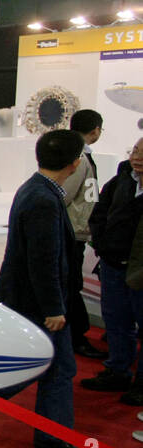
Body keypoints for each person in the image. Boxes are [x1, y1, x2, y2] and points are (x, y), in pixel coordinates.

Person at [0, 130, 96, 448]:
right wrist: (54, 308)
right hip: (36, 304)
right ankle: (51, 433)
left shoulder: (34, 190)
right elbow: (43, 260)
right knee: (58, 368)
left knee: (43, 367)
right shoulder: (44, 199)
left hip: (25, 299)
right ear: (75, 163)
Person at [82, 137, 143, 404]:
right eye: (136, 150)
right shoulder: (121, 181)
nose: (137, 156)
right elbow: (99, 213)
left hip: (139, 271)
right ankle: (118, 370)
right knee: (116, 322)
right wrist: (103, 245)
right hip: (113, 265)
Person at [61, 109, 106, 358]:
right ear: (95, 129)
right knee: (70, 284)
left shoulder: (80, 155)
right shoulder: (78, 157)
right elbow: (66, 194)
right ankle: (75, 336)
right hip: (72, 230)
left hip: (76, 229)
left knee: (71, 283)